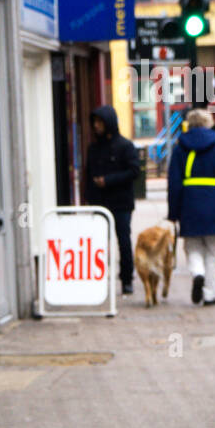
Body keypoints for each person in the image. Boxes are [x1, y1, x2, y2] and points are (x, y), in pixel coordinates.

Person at [168, 108, 215, 306]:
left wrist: (173, 213)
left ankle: (197, 274)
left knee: (192, 246)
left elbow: (174, 184)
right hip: (214, 204)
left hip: (189, 203)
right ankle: (210, 295)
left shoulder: (179, 149)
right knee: (213, 253)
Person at [84, 104, 141, 296]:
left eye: (100, 122)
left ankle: (126, 279)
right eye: (95, 123)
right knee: (99, 242)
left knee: (123, 240)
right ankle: (98, 278)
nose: (97, 126)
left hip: (121, 202)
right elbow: (88, 174)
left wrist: (108, 181)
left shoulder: (125, 146)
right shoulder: (94, 148)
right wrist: (88, 198)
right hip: (100, 202)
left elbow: (134, 171)